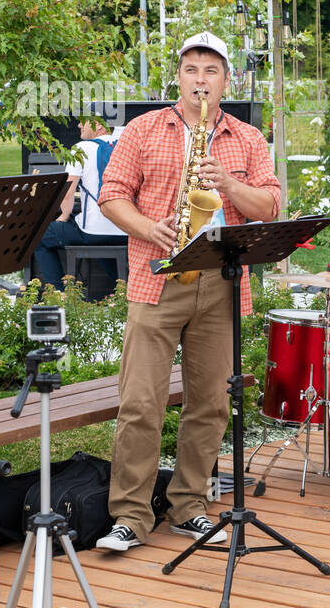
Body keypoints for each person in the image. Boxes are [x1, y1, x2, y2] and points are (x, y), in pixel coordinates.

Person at [94, 32, 283, 552]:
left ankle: (189, 506)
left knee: (211, 405)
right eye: (192, 69)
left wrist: (227, 184)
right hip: (156, 278)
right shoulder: (144, 129)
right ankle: (130, 518)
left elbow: (269, 205)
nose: (201, 80)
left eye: (211, 71)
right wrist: (146, 227)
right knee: (140, 403)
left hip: (221, 285)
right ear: (179, 75)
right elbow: (112, 196)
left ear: (227, 79)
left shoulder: (246, 138)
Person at [30, 116, 126, 291]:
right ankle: (123, 291)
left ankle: (58, 294)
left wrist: (64, 216)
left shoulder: (80, 149)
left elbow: (67, 193)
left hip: (94, 232)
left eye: (84, 121)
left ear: (98, 125)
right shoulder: (127, 145)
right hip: (127, 230)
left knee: (40, 237)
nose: (79, 125)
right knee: (98, 232)